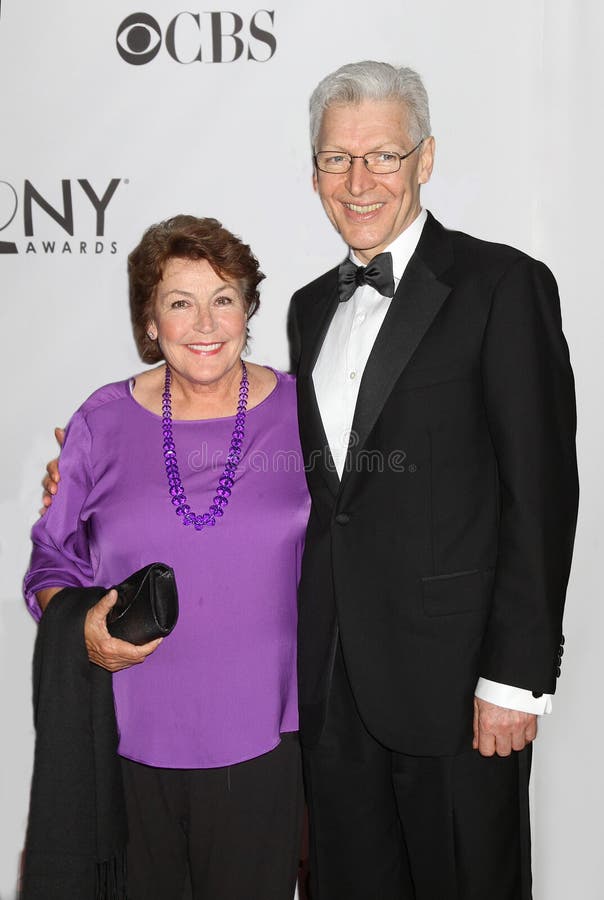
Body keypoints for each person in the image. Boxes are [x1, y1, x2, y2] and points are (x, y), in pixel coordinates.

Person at [286, 61, 578, 899]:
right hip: (333, 685)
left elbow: (540, 493)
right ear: (314, 171)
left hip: (458, 688)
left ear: (426, 158)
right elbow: (316, 493)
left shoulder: (501, 285)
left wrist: (517, 676)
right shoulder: (309, 307)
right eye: (336, 159)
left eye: (383, 155)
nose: (359, 181)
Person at [24, 215, 309, 900]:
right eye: (181, 302)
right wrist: (81, 626)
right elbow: (51, 563)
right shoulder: (102, 421)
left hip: (268, 743)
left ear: (248, 311)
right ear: (150, 322)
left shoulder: (308, 415)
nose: (205, 324)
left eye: (224, 299)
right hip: (129, 743)